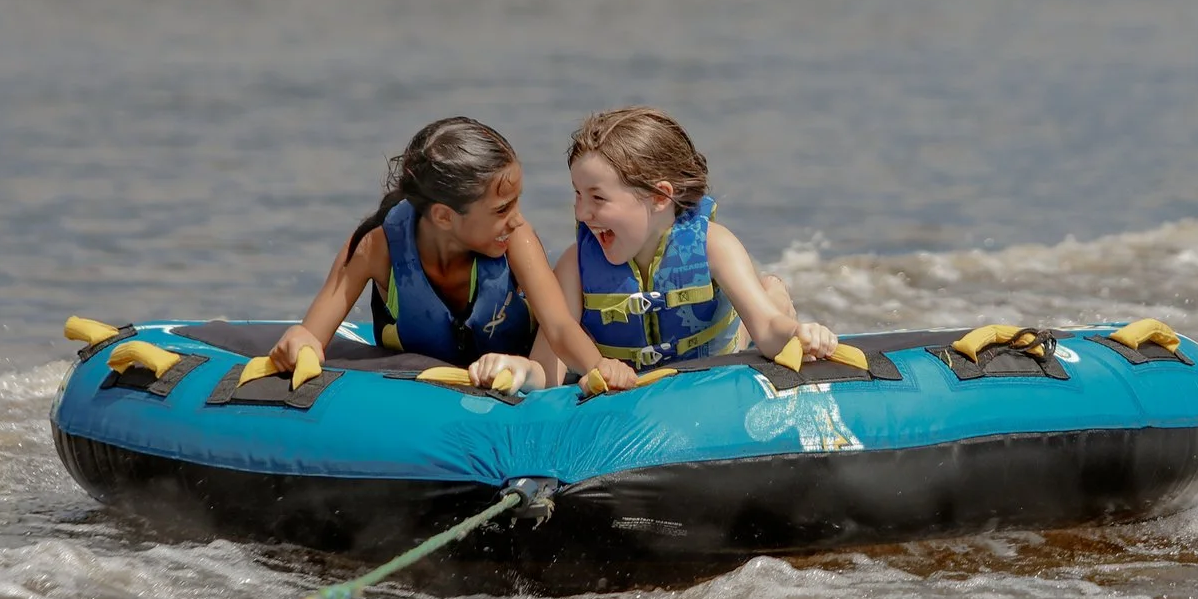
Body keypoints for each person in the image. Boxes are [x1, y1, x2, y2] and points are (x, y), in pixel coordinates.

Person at [268, 118, 636, 392]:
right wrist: (300, 343)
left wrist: (598, 368)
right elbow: (312, 332)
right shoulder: (375, 246)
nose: (518, 218)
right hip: (417, 387)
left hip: (516, 373)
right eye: (501, 209)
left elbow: (558, 326)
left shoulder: (517, 240)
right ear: (444, 216)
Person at [546, 106, 839, 379]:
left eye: (597, 198)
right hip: (624, 381)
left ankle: (774, 295)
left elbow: (767, 330)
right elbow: (549, 363)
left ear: (660, 196)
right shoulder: (575, 266)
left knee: (763, 316)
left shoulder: (715, 246)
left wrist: (798, 334)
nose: (581, 213)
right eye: (577, 194)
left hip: (717, 353)